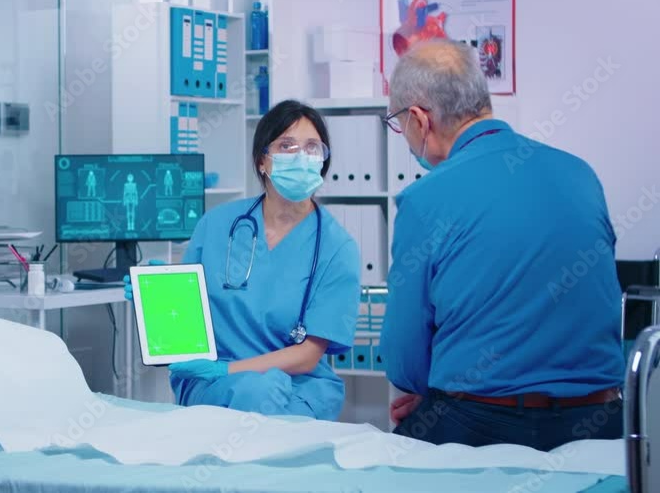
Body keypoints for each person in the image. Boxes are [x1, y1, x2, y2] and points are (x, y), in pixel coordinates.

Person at [380, 39, 624, 450]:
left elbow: (404, 358)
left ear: (420, 120)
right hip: (601, 423)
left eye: (399, 123)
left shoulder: (425, 199)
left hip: (481, 425)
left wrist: (436, 392)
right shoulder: (581, 174)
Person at [126, 100, 360, 420]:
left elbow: (307, 356)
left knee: (262, 398)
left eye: (312, 148)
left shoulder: (336, 247)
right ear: (262, 160)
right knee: (255, 399)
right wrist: (156, 294)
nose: (301, 157)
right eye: (286, 146)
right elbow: (187, 315)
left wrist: (230, 369)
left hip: (298, 386)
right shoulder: (218, 224)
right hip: (213, 382)